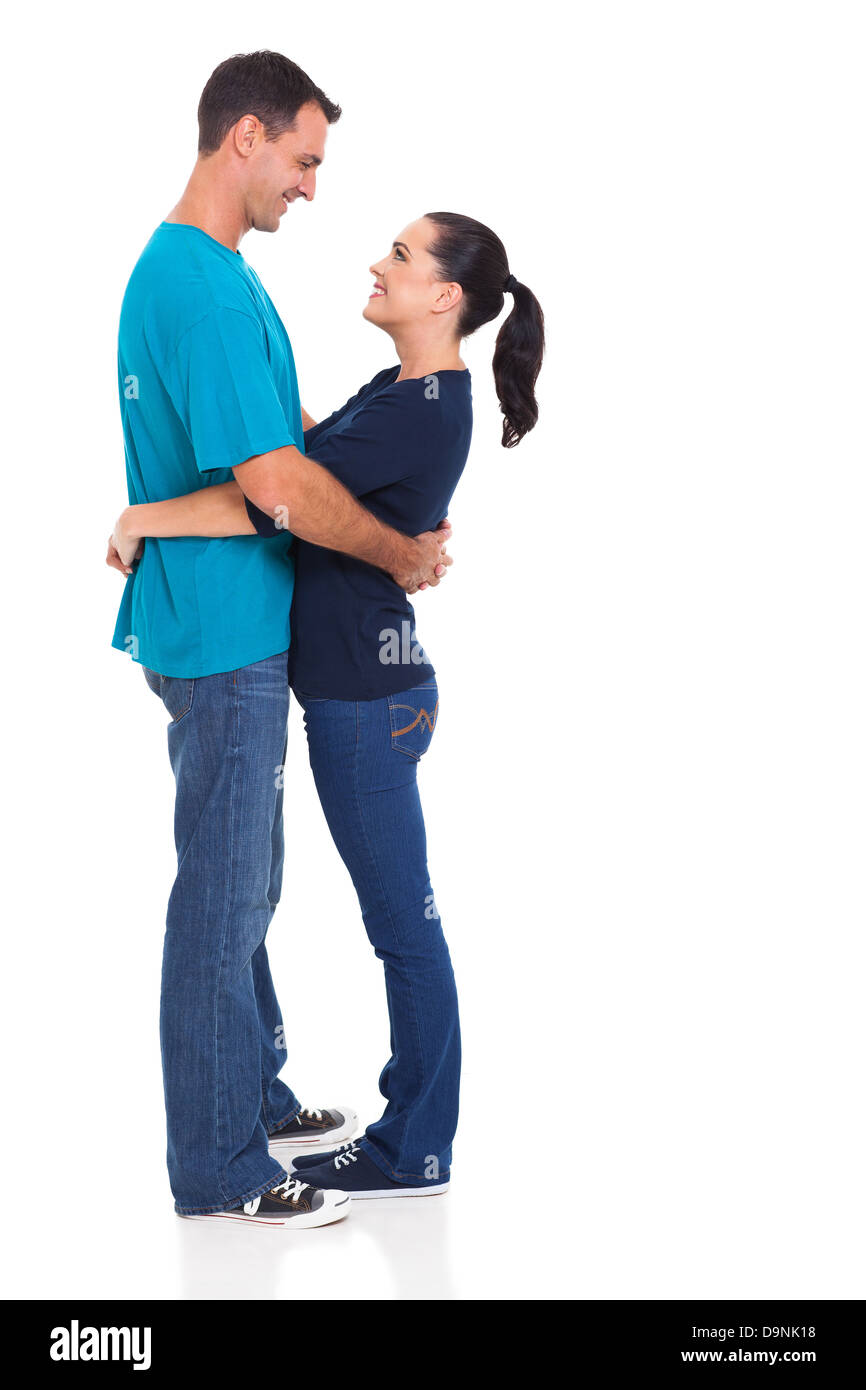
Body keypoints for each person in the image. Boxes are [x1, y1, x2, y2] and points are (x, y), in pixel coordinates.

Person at [110, 211, 545, 1200]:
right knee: (362, 908)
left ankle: (415, 1145)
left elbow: (283, 499)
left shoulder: (425, 406)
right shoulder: (400, 389)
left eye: (399, 254)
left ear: (445, 296)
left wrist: (144, 515)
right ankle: (362, 1118)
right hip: (359, 688)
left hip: (368, 702)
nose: (375, 262)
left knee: (402, 921)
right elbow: (300, 453)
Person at [107, 51, 451, 1230]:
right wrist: (400, 554)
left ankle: (246, 1089)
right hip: (223, 628)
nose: (311, 187)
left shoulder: (211, 273)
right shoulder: (200, 287)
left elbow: (287, 437)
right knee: (221, 895)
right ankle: (218, 1165)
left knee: (243, 879)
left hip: (218, 614)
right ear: (243, 137)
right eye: (303, 159)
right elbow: (275, 486)